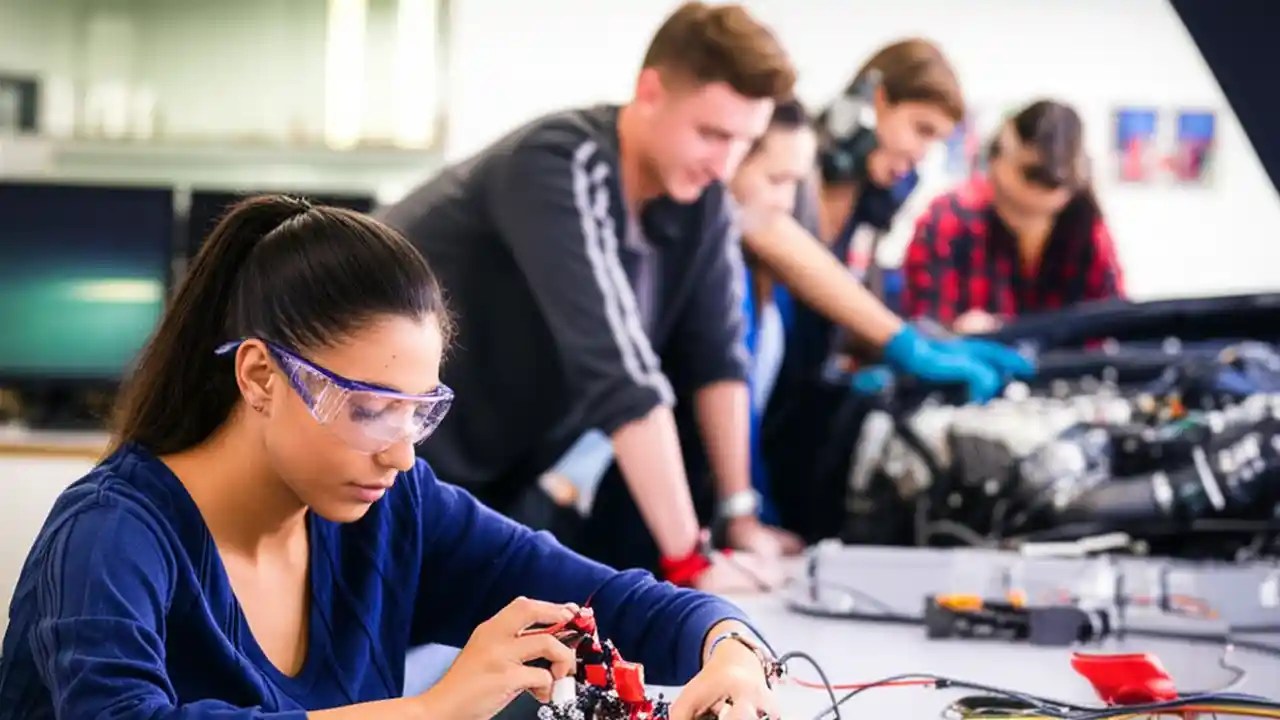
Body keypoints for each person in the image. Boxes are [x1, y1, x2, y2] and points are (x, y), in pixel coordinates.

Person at [0, 196, 779, 720]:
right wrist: (432, 709)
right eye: (371, 410)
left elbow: (631, 604)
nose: (402, 454)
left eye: (419, 413)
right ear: (260, 377)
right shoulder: (108, 539)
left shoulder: (394, 509)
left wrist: (734, 653)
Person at [378, 1, 801, 583]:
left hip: (492, 486)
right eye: (711, 133)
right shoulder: (557, 162)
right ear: (649, 92)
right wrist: (688, 561)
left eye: (744, 144)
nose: (724, 165)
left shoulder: (699, 200)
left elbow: (719, 362)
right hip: (391, 470)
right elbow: (618, 374)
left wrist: (739, 516)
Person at [747, 40, 1035, 540]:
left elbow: (841, 312)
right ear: (873, 101)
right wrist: (905, 343)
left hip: (791, 434)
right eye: (920, 129)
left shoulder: (867, 205)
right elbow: (782, 249)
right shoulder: (786, 174)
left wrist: (935, 344)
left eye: (936, 141)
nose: (920, 154)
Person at [903, 99, 1127, 333]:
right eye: (1018, 208)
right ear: (996, 158)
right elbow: (925, 334)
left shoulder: (1088, 229)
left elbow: (1113, 327)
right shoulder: (948, 220)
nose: (1029, 223)